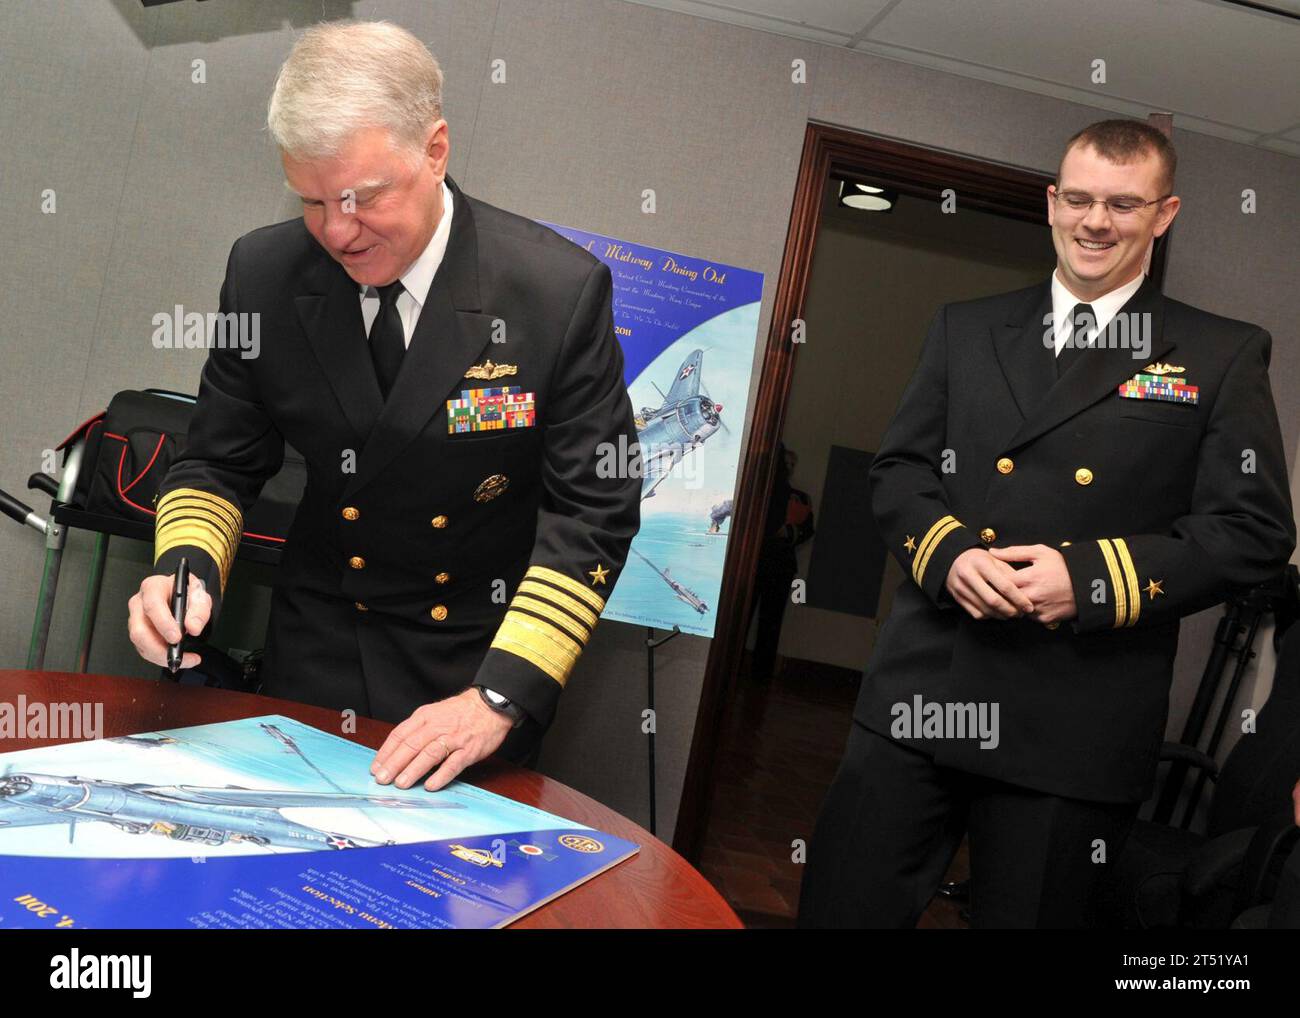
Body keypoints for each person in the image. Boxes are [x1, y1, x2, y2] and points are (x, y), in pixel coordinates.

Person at [799, 119, 1295, 928]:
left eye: (1124, 205)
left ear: (1164, 215)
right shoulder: (966, 326)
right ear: (1052, 201)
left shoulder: (1220, 354)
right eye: (1081, 199)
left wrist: (1093, 580)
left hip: (1075, 724)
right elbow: (900, 472)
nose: (1096, 222)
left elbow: (1254, 530)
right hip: (926, 692)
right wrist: (949, 551)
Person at [126, 20, 641, 791]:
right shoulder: (264, 275)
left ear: (435, 150)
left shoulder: (554, 294)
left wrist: (501, 697)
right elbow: (218, 462)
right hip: (314, 639)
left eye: (363, 198)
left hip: (470, 665)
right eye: (312, 200)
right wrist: (184, 570)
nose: (337, 231)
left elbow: (594, 512)